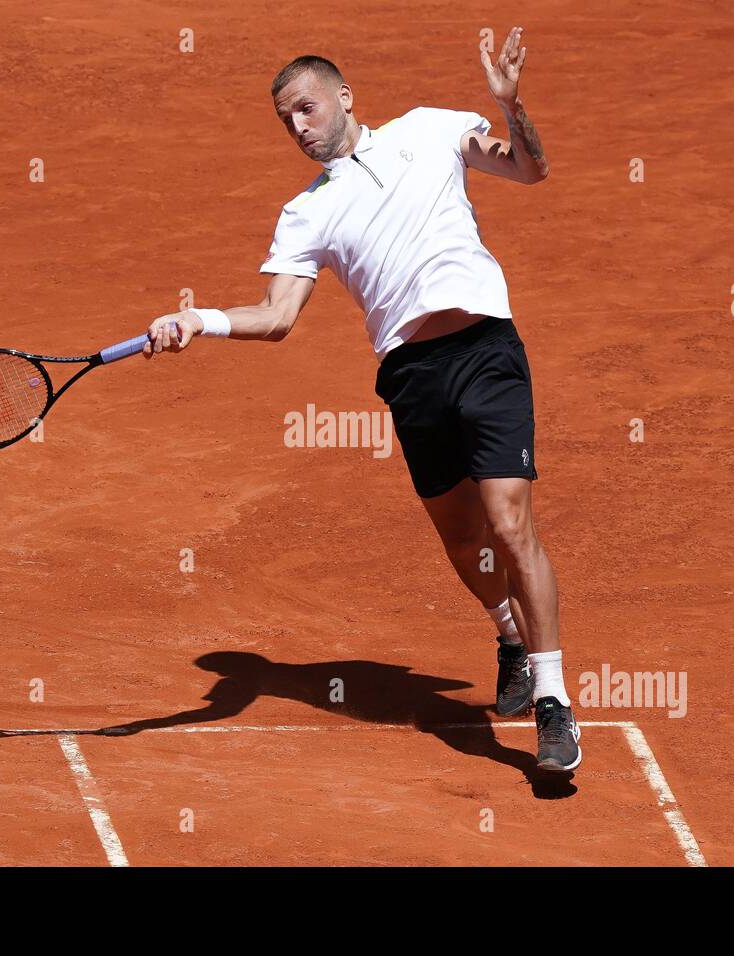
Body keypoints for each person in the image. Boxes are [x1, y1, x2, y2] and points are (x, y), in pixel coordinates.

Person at [144, 28, 580, 772]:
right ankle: (507, 635)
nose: (300, 128)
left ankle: (552, 700)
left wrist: (511, 107)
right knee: (461, 538)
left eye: (307, 109)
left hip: (486, 353)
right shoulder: (306, 212)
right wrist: (198, 320)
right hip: (411, 375)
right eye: (287, 122)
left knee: (510, 525)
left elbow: (531, 169)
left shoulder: (430, 130)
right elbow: (277, 318)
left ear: (344, 97)